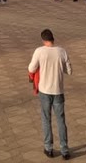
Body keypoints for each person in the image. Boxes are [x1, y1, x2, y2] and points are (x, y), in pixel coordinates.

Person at [28, 28, 72, 159]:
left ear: (43, 40)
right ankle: (65, 150)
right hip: (58, 91)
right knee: (61, 120)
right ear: (53, 39)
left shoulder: (39, 51)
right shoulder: (62, 51)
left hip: (44, 91)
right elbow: (69, 71)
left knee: (46, 119)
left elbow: (31, 68)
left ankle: (49, 148)